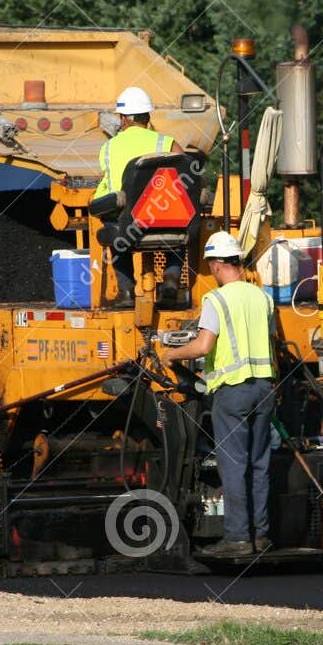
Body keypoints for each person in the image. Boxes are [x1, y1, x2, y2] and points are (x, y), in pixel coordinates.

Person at [159, 231, 276, 558]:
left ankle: (238, 538)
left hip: (233, 392)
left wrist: (171, 355)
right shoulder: (262, 297)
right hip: (264, 388)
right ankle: (260, 536)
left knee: (234, 466)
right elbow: (270, 343)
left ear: (216, 264)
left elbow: (203, 346)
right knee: (259, 464)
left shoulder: (217, 299)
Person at [94, 85, 183, 306]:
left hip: (129, 227)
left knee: (112, 224)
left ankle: (126, 292)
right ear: (147, 117)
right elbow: (188, 171)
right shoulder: (167, 143)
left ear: (124, 119)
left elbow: (108, 186)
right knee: (179, 228)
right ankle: (170, 282)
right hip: (163, 222)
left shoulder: (109, 148)